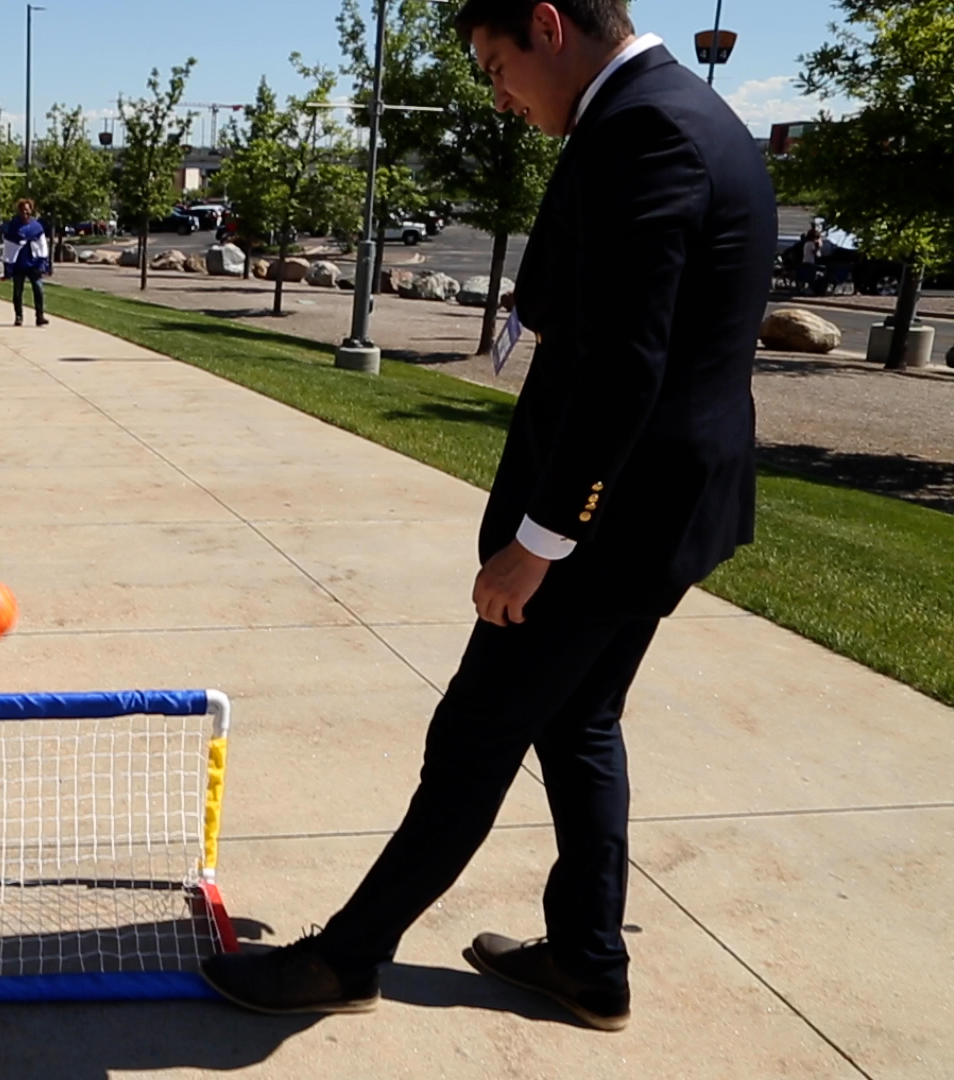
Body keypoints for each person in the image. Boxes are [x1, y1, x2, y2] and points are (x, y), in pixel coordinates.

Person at [198, 0, 778, 1034]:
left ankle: (348, 958)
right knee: (580, 722)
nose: (496, 96)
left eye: (495, 66)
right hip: (666, 507)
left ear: (548, 25)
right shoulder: (666, 112)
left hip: (613, 520)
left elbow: (625, 366)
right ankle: (591, 963)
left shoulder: (650, 129)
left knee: (474, 734)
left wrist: (542, 542)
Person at [2, 198, 51, 327]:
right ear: (19, 211)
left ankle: (40, 316)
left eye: (27, 210)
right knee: (18, 291)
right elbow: (8, 246)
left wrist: (43, 262)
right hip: (18, 264)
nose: (25, 212)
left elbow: (42, 245)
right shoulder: (13, 226)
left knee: (38, 289)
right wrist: (7, 265)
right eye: (23, 210)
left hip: (34, 263)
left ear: (31, 211)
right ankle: (19, 316)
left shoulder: (36, 226)